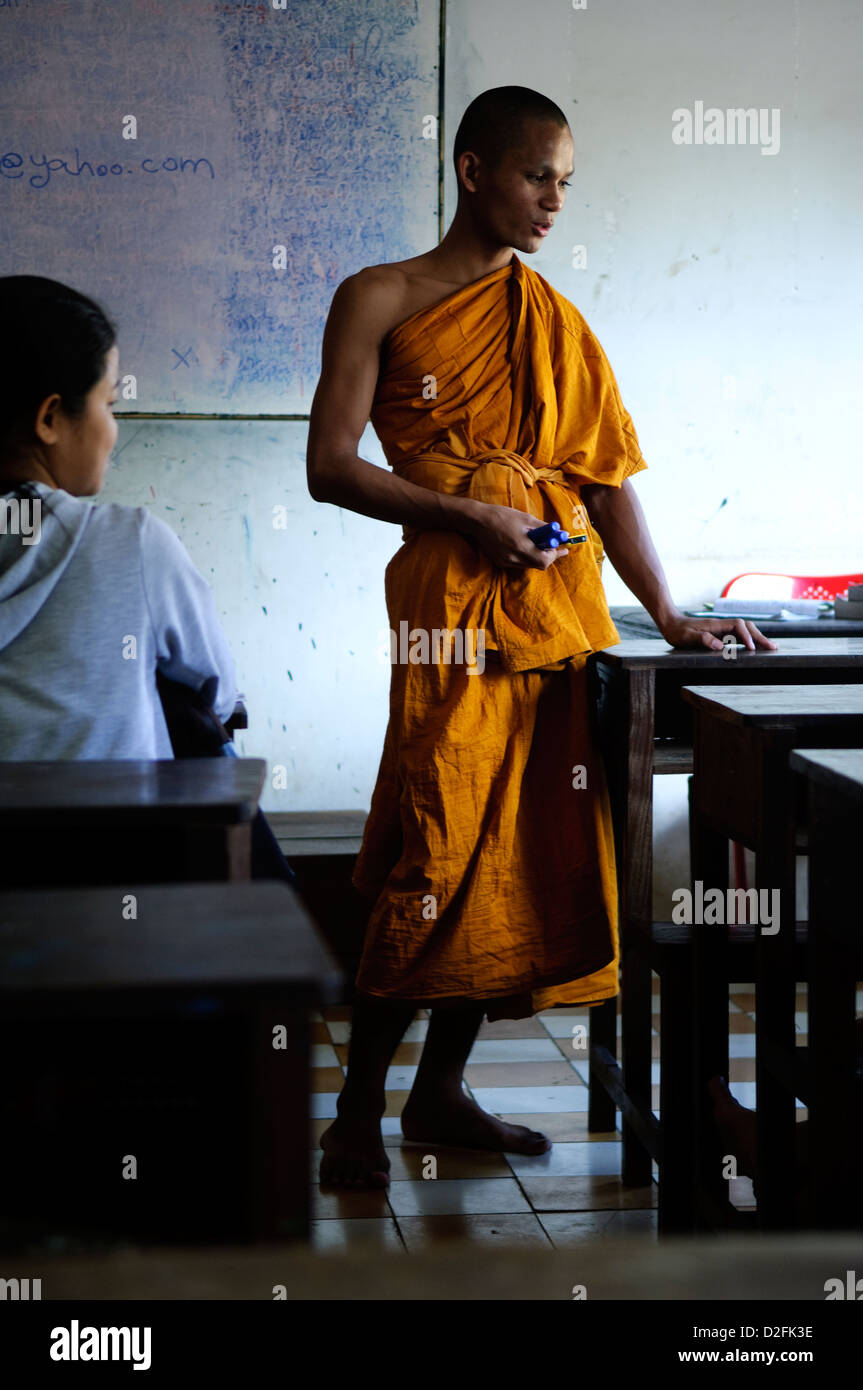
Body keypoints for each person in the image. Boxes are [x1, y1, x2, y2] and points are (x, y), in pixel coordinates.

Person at [307, 85, 777, 1188]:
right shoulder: (376, 296)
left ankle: (439, 1092)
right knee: (434, 841)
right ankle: (355, 1112)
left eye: (565, 180)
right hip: (448, 606)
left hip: (550, 610)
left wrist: (667, 613)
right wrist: (467, 512)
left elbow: (602, 481)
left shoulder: (552, 320)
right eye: (535, 175)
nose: (553, 200)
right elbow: (328, 469)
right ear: (472, 170)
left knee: (516, 850)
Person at [0, 274, 293, 882]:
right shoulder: (129, 541)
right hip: (117, 879)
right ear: (51, 417)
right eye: (109, 403)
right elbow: (219, 689)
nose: (114, 428)